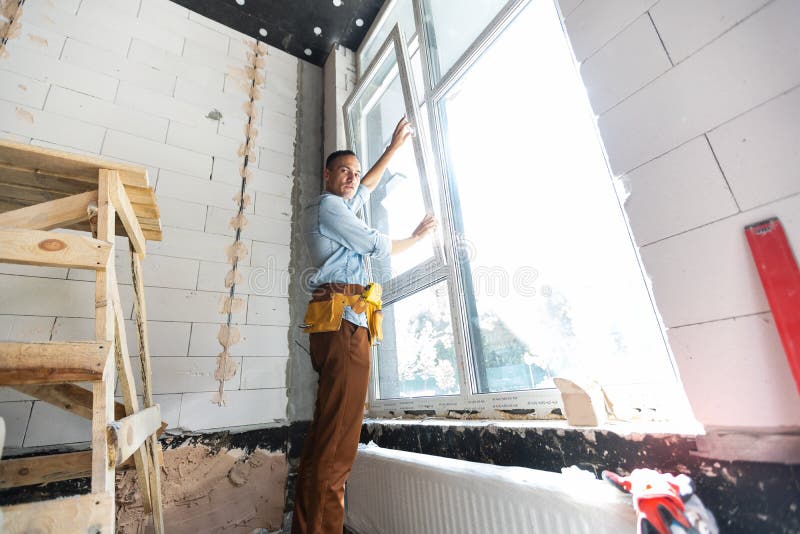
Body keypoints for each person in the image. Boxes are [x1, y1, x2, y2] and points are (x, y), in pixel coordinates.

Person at [292, 116, 436, 534]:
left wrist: (392, 149)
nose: (352, 178)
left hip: (342, 322)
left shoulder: (336, 208)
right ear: (327, 175)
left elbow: (366, 188)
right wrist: (416, 239)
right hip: (344, 325)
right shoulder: (328, 207)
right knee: (338, 445)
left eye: (354, 172)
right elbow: (374, 243)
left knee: (327, 438)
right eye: (344, 171)